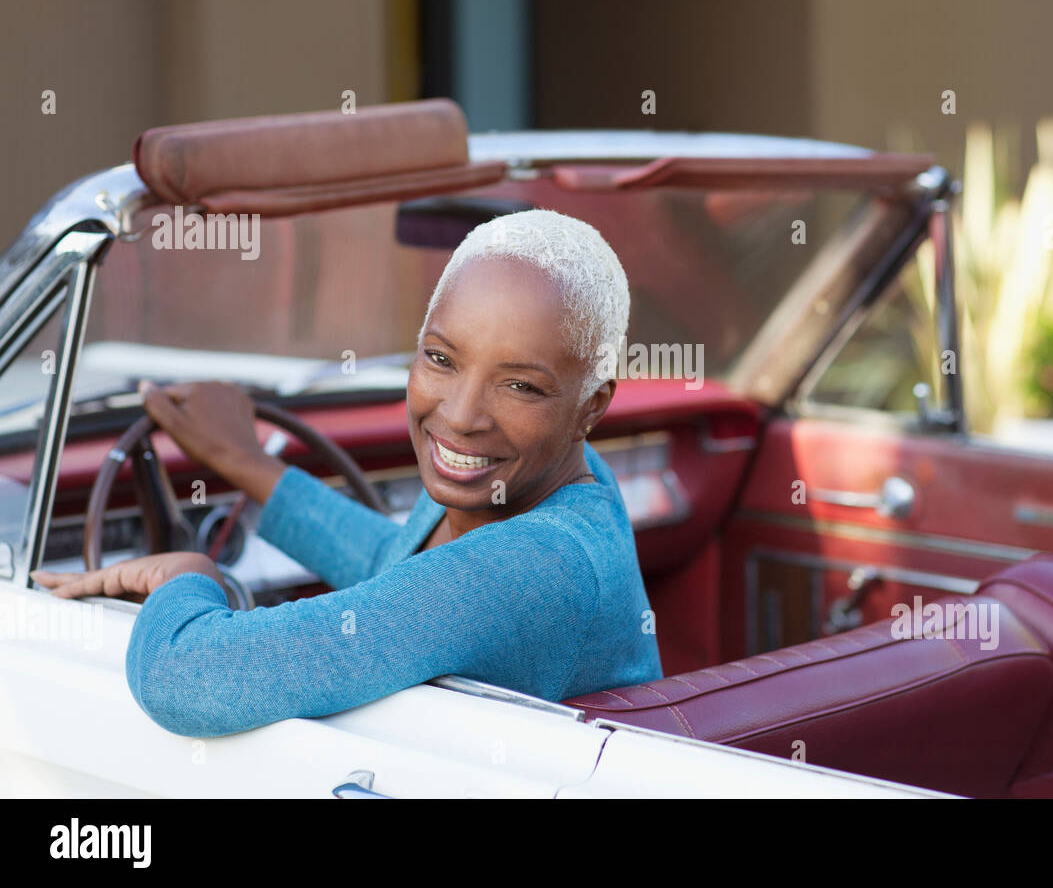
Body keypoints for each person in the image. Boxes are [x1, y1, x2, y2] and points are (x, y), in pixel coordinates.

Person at [33, 209, 663, 737]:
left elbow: (184, 678)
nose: (462, 416)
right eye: (441, 358)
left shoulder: (532, 566)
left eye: (521, 386)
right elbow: (400, 565)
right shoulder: (545, 481)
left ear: (593, 407)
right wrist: (248, 465)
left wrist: (186, 577)